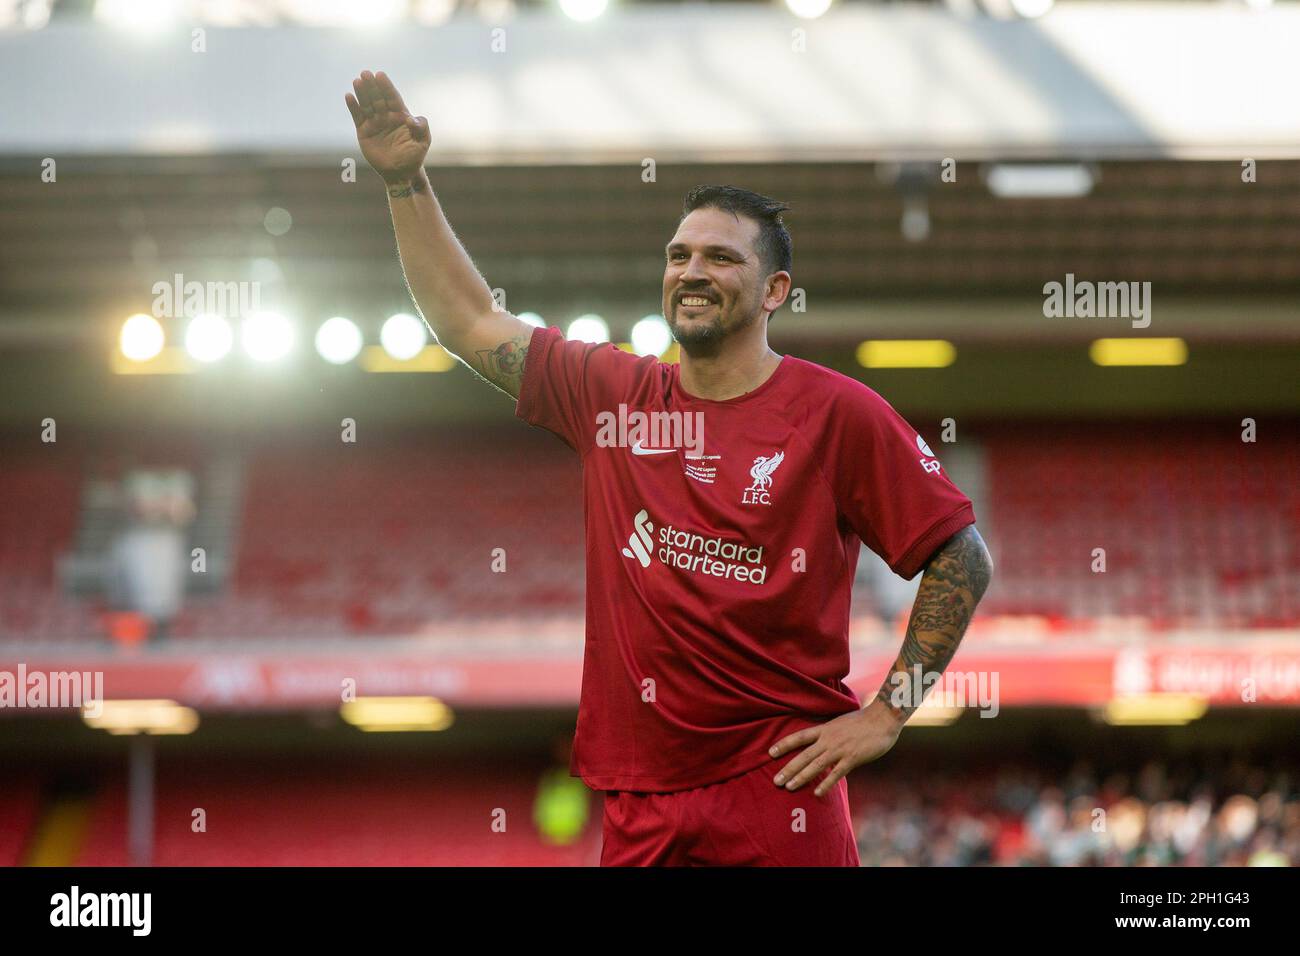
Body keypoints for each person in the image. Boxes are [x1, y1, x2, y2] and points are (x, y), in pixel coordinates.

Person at [346, 70, 994, 866]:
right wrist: (406, 182)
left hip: (780, 787)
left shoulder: (836, 414)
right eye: (678, 254)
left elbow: (961, 555)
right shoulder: (609, 393)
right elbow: (468, 319)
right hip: (639, 801)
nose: (691, 271)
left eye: (720, 258)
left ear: (774, 291)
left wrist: (888, 712)